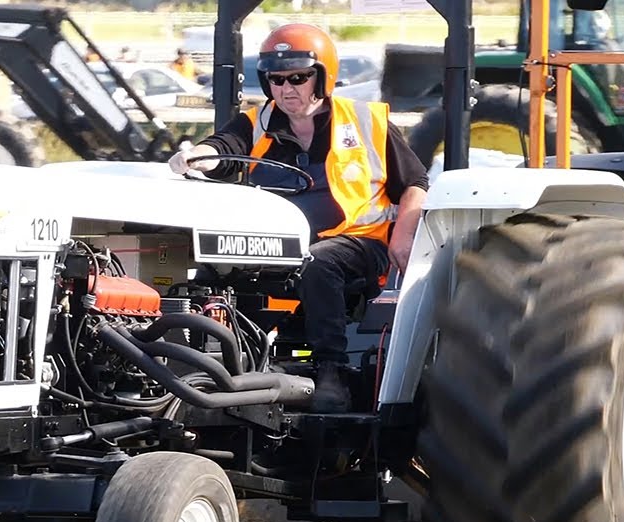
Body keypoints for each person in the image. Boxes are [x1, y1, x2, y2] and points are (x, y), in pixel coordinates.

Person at [168, 23, 429, 413]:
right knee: (210, 269)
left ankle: (331, 372)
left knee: (319, 262)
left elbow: (416, 183)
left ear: (322, 76)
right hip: (281, 246)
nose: (287, 89)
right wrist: (198, 155)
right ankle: (204, 364)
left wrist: (403, 237)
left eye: (298, 78)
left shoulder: (366, 123)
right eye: (276, 80)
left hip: (361, 243)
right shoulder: (257, 123)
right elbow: (224, 147)